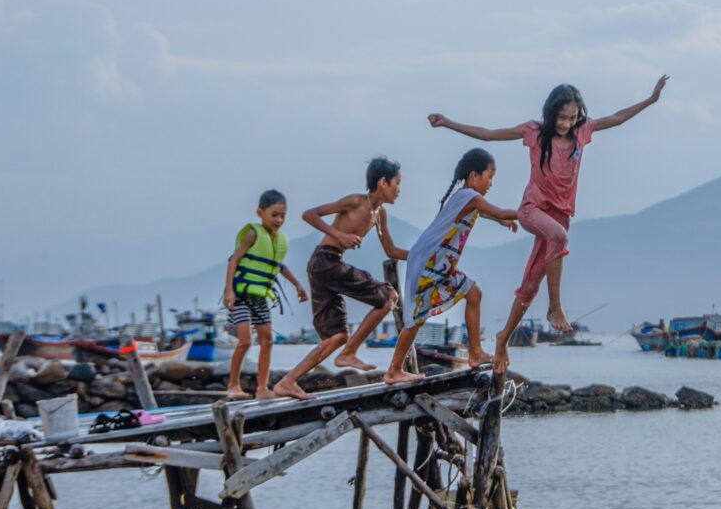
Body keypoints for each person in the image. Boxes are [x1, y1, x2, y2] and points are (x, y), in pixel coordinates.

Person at [428, 75, 669, 371]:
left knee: (529, 286)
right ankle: (555, 307)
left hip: (559, 217)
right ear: (551, 112)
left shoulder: (582, 133)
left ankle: (503, 339)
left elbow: (617, 118)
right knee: (559, 238)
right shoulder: (535, 133)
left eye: (572, 117)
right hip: (532, 209)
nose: (566, 123)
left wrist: (651, 100)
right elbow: (490, 134)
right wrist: (448, 122)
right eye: (561, 117)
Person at [273, 158, 408, 399]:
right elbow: (310, 214)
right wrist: (339, 235)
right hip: (326, 261)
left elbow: (392, 251)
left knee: (336, 336)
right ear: (383, 182)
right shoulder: (356, 202)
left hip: (323, 267)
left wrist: (425, 256)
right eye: (397, 183)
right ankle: (350, 352)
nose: (400, 189)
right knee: (389, 296)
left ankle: (287, 381)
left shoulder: (380, 215)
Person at [384, 148, 518, 384]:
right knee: (415, 319)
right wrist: (531, 213)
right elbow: (497, 210)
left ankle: (475, 353)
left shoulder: (465, 198)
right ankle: (394, 370)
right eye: (490, 176)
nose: (491, 183)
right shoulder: (469, 197)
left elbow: (487, 214)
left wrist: (501, 220)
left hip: (440, 265)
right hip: (429, 264)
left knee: (473, 293)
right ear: (474, 176)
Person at [223, 189, 308, 400]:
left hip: (260, 297)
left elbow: (279, 266)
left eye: (283, 215)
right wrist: (229, 290)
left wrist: (298, 285)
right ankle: (233, 385)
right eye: (274, 215)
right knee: (244, 341)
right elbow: (234, 259)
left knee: (267, 340)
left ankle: (262, 388)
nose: (279, 220)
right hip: (241, 295)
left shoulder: (278, 241)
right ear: (260, 212)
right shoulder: (253, 234)